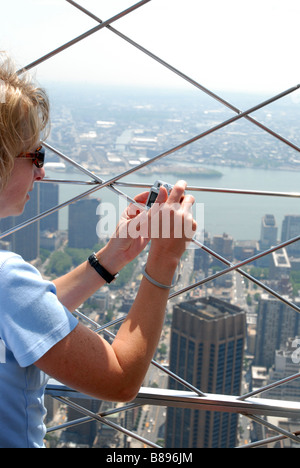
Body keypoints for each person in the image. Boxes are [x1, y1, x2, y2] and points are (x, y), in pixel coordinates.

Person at [0, 53, 197, 448]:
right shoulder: (5, 279)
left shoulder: (10, 290)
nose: (42, 172)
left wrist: (113, 257)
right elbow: (121, 379)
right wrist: (165, 259)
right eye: (35, 156)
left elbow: (23, 317)